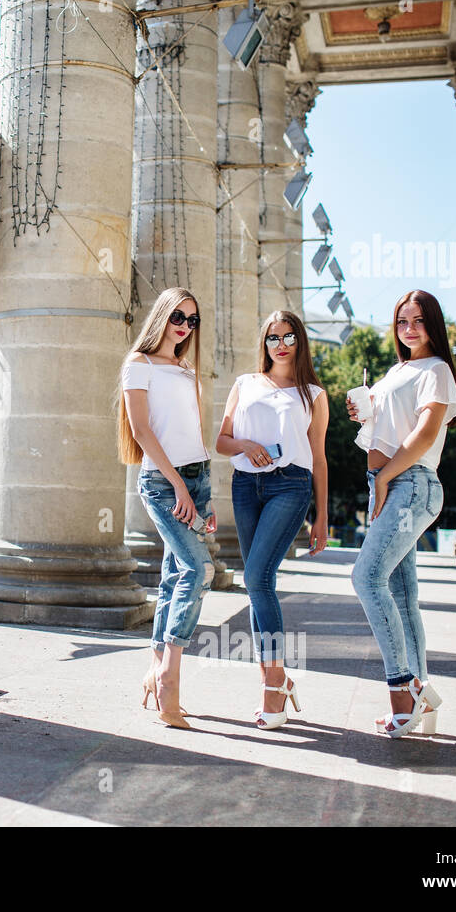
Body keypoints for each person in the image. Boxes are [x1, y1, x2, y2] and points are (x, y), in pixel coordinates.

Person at [346, 289, 456, 738]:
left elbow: (423, 434)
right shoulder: (399, 370)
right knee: (401, 594)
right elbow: (387, 426)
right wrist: (364, 412)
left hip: (410, 485)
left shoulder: (436, 371)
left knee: (365, 578)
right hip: (394, 485)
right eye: (401, 322)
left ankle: (402, 687)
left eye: (418, 320)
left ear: (433, 325)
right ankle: (424, 698)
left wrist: (385, 479)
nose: (409, 329)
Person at [216, 311, 329, 730]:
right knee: (255, 581)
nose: (280, 345)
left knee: (258, 579)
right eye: (272, 338)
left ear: (299, 342)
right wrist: (246, 443)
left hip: (291, 487)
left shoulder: (313, 394)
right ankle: (271, 680)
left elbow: (319, 459)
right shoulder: (245, 384)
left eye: (288, 337)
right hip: (246, 485)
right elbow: (221, 441)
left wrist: (322, 518)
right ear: (264, 344)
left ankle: (275, 683)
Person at [118, 286, 215, 729]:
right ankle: (169, 678)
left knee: (175, 574)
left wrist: (202, 498)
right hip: (163, 482)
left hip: (198, 477)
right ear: (161, 315)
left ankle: (153, 668)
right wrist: (178, 486)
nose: (184, 325)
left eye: (192, 320)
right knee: (199, 570)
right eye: (178, 315)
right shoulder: (138, 365)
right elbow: (141, 431)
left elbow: (191, 432)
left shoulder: (185, 369)